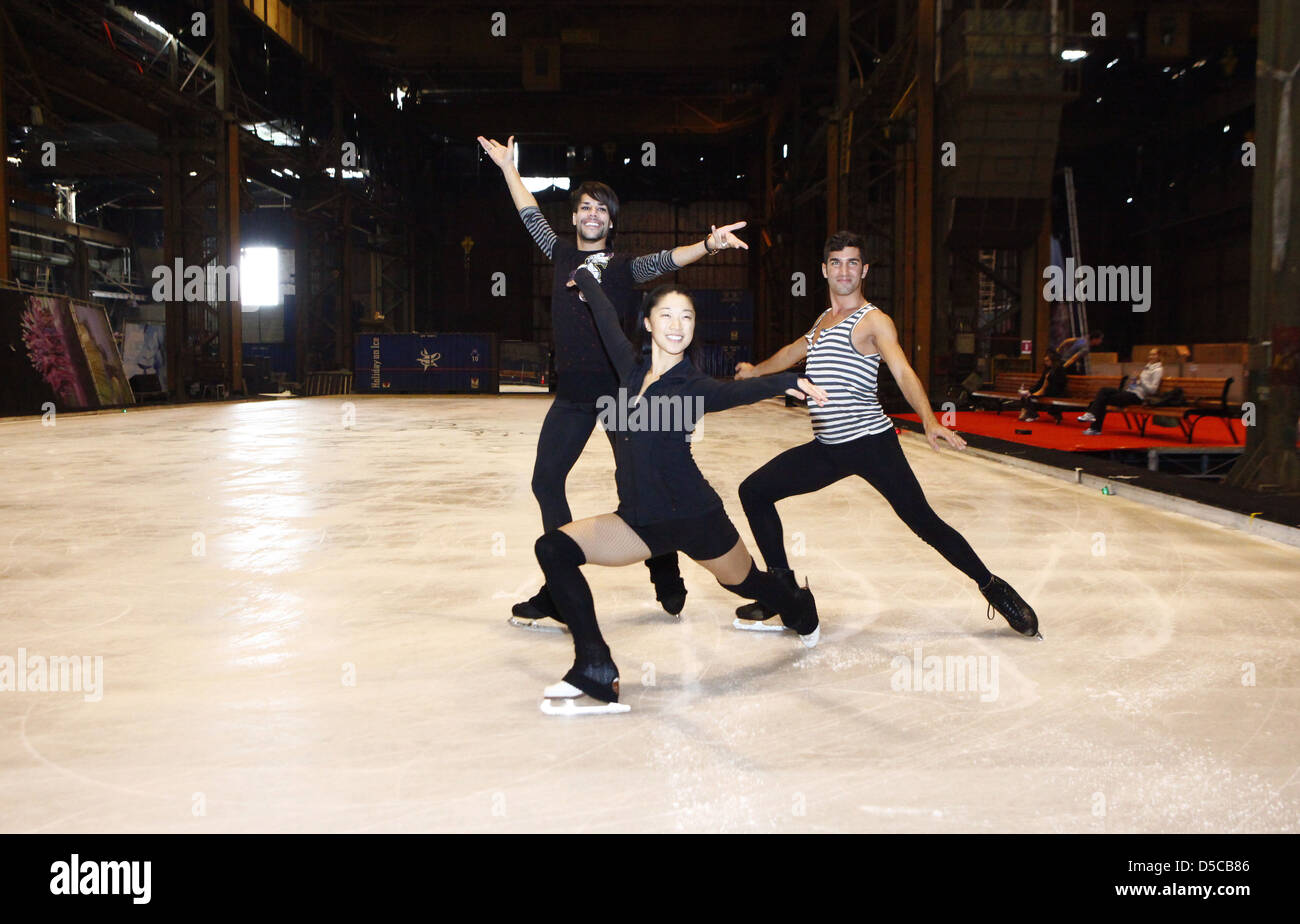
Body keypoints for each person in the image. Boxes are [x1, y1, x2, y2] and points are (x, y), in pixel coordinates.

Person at [534, 254, 830, 712]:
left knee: (746, 583)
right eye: (667, 315)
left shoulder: (691, 384)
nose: (677, 325)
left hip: (696, 518)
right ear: (648, 323)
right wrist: (586, 280)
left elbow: (732, 392)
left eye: (687, 317)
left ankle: (798, 607)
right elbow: (606, 319)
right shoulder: (629, 369)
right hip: (639, 522)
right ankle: (595, 665)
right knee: (553, 549)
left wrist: (784, 382)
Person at [478, 134, 749, 628]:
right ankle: (561, 589)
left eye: (601, 209)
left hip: (623, 397)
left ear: (611, 221)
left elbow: (669, 259)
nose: (592, 214)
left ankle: (665, 571)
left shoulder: (625, 268)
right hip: (572, 397)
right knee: (545, 481)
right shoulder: (560, 253)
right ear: (575, 217)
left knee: (643, 489)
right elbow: (529, 213)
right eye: (585, 207)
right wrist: (507, 168)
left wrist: (710, 244)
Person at [731, 231, 1041, 638]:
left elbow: (903, 371)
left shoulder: (873, 321)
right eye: (836, 262)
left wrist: (929, 419)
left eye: (852, 262)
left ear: (864, 270)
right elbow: (792, 352)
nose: (844, 270)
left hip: (871, 445)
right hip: (828, 448)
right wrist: (755, 372)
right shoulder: (822, 322)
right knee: (754, 492)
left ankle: (994, 588)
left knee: (924, 522)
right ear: (824, 270)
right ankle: (783, 593)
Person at [1077, 348, 1163, 435]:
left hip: (1138, 397)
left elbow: (1152, 390)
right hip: (1130, 392)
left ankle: (1094, 424)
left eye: (1154, 354)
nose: (1151, 356)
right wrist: (1134, 380)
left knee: (1102, 399)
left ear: (1159, 356)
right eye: (1150, 354)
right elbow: (1139, 383)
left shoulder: (1158, 370)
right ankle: (1092, 420)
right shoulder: (1147, 367)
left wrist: (1141, 379)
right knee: (1104, 390)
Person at [1017, 349, 1066, 422]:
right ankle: (1030, 413)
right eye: (1045, 361)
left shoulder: (1059, 370)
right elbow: (1040, 383)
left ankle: (1033, 415)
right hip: (1046, 390)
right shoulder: (1047, 369)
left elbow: (1058, 385)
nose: (1046, 363)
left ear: (1053, 360)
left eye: (1047, 361)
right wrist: (1030, 390)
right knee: (1025, 396)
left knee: (1030, 397)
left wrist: (1041, 391)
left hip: (1055, 392)